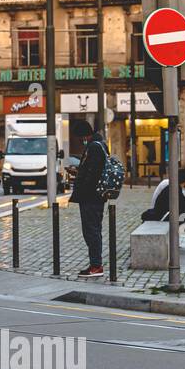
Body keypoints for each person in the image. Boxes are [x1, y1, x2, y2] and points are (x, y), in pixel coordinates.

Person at [70, 119, 108, 278]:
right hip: (95, 196)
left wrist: (81, 183)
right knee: (93, 230)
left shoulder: (94, 147)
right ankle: (95, 264)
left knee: (91, 231)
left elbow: (93, 174)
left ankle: (96, 266)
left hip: (91, 198)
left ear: (84, 134)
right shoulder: (100, 145)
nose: (80, 141)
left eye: (79, 137)